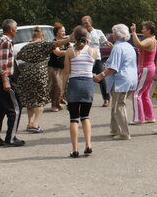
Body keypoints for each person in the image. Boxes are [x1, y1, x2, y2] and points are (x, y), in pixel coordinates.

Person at [94, 24, 138, 140]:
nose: (112, 34)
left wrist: (100, 75)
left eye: (113, 33)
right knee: (116, 104)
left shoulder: (118, 48)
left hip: (121, 80)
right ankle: (114, 129)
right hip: (130, 79)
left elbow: (113, 67)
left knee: (119, 105)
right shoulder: (129, 46)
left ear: (117, 35)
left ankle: (124, 133)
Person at [0, 19, 24, 148]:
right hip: (3, 78)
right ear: (11, 29)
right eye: (16, 28)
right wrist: (5, 80)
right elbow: (3, 62)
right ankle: (11, 138)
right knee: (15, 108)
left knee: (0, 109)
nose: (16, 31)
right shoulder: (6, 41)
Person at [65, 26, 98, 157]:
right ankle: (88, 144)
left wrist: (63, 87)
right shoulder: (93, 51)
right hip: (88, 85)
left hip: (74, 84)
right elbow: (92, 66)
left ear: (74, 37)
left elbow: (66, 72)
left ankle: (75, 149)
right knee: (85, 117)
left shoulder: (70, 52)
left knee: (74, 118)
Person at [15, 27, 54, 134]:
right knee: (40, 99)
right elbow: (57, 44)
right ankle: (35, 124)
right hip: (40, 74)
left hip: (26, 74)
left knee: (30, 99)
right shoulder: (44, 44)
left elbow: (18, 57)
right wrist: (69, 40)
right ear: (42, 36)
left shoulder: (27, 46)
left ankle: (30, 123)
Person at [129, 21, 157, 125]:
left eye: (144, 28)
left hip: (146, 69)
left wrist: (133, 32)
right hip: (149, 69)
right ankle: (149, 117)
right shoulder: (152, 40)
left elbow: (139, 45)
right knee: (144, 94)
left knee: (135, 93)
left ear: (149, 30)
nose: (142, 30)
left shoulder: (150, 40)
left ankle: (138, 118)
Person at [81, 15, 111, 107]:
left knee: (101, 78)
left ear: (91, 22)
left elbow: (106, 42)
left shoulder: (98, 32)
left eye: (86, 22)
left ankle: (106, 99)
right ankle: (84, 99)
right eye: (83, 23)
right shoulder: (83, 33)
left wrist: (113, 47)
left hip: (96, 58)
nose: (85, 25)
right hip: (86, 58)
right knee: (84, 78)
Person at [48, 23, 69, 111]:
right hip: (54, 68)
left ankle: (59, 102)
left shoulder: (66, 42)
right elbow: (57, 53)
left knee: (63, 86)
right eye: (62, 31)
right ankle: (54, 105)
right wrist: (68, 51)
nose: (64, 33)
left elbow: (72, 49)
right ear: (56, 32)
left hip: (64, 68)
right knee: (56, 86)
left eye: (64, 31)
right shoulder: (54, 42)